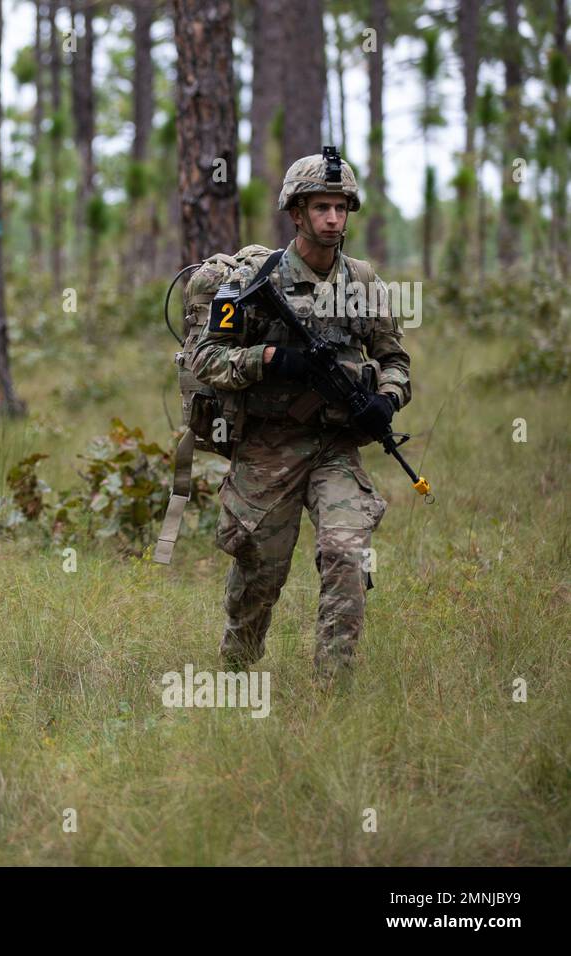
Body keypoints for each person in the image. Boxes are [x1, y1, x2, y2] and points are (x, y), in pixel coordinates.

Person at [188, 149, 412, 679]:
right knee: (259, 575)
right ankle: (236, 676)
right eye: (321, 208)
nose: (333, 219)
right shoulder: (250, 281)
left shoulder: (362, 283)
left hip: (334, 447)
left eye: (341, 207)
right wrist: (269, 359)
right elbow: (206, 358)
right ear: (296, 213)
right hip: (269, 446)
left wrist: (387, 398)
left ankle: (333, 691)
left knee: (346, 553)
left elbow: (395, 360)